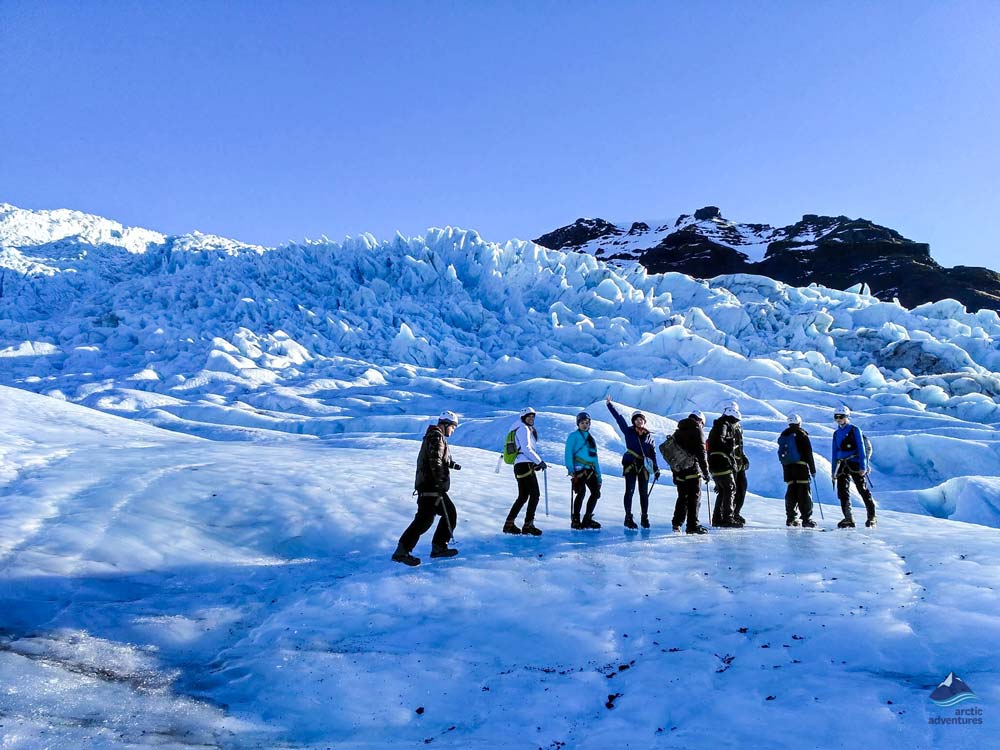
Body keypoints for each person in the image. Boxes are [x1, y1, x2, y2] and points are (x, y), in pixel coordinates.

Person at [392, 411, 462, 566]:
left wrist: (452, 464)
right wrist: (439, 480)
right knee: (448, 514)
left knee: (424, 519)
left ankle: (404, 550)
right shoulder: (436, 436)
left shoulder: (435, 436)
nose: (453, 430)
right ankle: (437, 547)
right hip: (432, 485)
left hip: (428, 484)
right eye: (453, 427)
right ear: (445, 424)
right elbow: (435, 459)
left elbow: (438, 457)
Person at [606, 395, 660, 529]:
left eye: (641, 419)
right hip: (631, 463)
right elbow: (619, 419)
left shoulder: (649, 436)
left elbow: (652, 453)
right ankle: (628, 517)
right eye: (637, 419)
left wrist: (656, 468)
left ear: (644, 421)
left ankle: (644, 517)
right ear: (634, 421)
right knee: (629, 491)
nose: (639, 421)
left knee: (643, 492)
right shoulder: (628, 431)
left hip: (644, 467)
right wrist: (609, 405)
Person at [503, 407, 547, 536]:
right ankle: (528, 525)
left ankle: (509, 524)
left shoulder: (518, 428)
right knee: (535, 494)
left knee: (523, 496)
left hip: (520, 465)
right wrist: (539, 461)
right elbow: (526, 448)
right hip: (525, 465)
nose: (531, 419)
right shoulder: (523, 428)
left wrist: (534, 463)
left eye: (533, 417)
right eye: (529, 416)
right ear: (523, 418)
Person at [831, 406, 877, 528]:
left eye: (841, 417)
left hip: (854, 463)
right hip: (841, 464)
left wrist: (863, 466)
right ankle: (848, 518)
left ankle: (872, 517)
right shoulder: (836, 433)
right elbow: (834, 452)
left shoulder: (855, 430)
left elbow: (861, 448)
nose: (838, 419)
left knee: (862, 489)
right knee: (842, 492)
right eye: (836, 417)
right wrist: (833, 470)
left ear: (847, 417)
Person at [708, 402, 749, 527]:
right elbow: (723, 443)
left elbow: (737, 447)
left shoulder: (732, 426)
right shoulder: (724, 424)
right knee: (730, 489)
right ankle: (727, 517)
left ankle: (723, 516)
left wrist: (743, 458)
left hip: (731, 463)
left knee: (727, 490)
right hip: (726, 464)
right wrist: (729, 445)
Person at [669, 410, 710, 534]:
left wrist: (675, 474)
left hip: (680, 471)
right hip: (693, 469)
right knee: (694, 498)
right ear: (700, 421)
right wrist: (706, 471)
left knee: (682, 497)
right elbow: (701, 453)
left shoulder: (678, 432)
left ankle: (677, 524)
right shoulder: (697, 430)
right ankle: (692, 526)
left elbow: (672, 455)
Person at [564, 411, 602, 529]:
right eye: (582, 423)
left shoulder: (591, 439)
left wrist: (599, 476)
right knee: (581, 493)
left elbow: (595, 458)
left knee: (596, 493)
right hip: (579, 469)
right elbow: (568, 453)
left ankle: (587, 519)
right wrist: (570, 468)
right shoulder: (573, 436)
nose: (585, 425)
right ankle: (576, 519)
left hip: (590, 470)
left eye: (587, 423)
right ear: (578, 424)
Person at [777, 414, 817, 527]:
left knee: (791, 493)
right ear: (799, 422)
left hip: (788, 469)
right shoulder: (802, 434)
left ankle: (791, 518)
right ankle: (806, 519)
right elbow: (808, 453)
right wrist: (812, 469)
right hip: (801, 468)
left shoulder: (784, 434)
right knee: (804, 493)